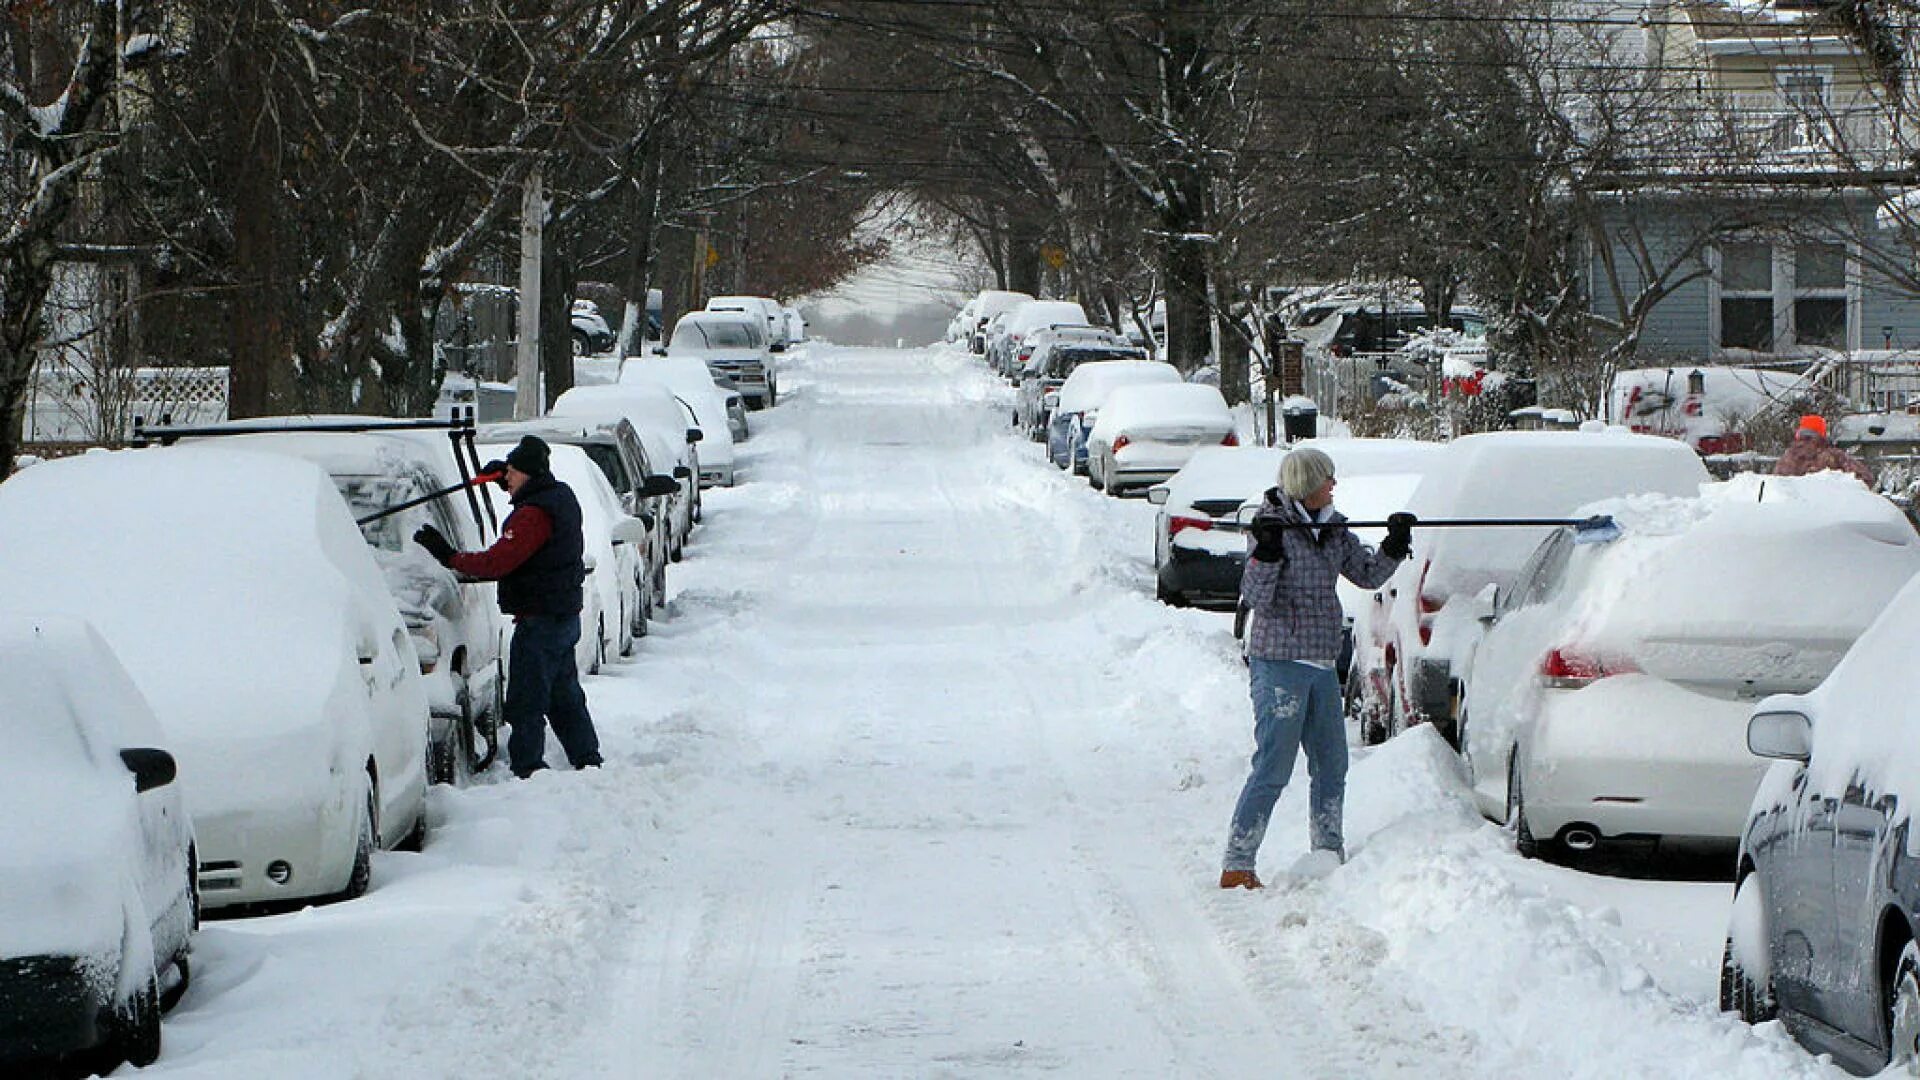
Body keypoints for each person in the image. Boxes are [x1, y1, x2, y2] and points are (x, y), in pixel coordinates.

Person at [1220, 448, 1412, 889]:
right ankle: (1238, 862)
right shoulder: (1271, 527)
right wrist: (1265, 553)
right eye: (1328, 478)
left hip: (1323, 662)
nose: (1334, 485)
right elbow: (1257, 597)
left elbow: (1366, 574)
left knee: (1331, 764)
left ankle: (1328, 853)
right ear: (1306, 485)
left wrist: (1393, 545)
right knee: (1274, 765)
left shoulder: (1333, 527)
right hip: (1281, 663)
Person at [413, 435, 603, 779]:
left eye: (512, 473)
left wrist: (449, 556)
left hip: (540, 621)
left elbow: (498, 562)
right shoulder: (558, 497)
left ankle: (528, 768)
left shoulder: (533, 515)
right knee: (564, 697)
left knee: (526, 701)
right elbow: (526, 495)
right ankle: (588, 759)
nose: (507, 479)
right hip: (561, 615)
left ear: (527, 474)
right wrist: (507, 476)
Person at [1774, 414, 1874, 485]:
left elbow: (1777, 486)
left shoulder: (1786, 459)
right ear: (1822, 434)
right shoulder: (1834, 456)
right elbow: (1865, 478)